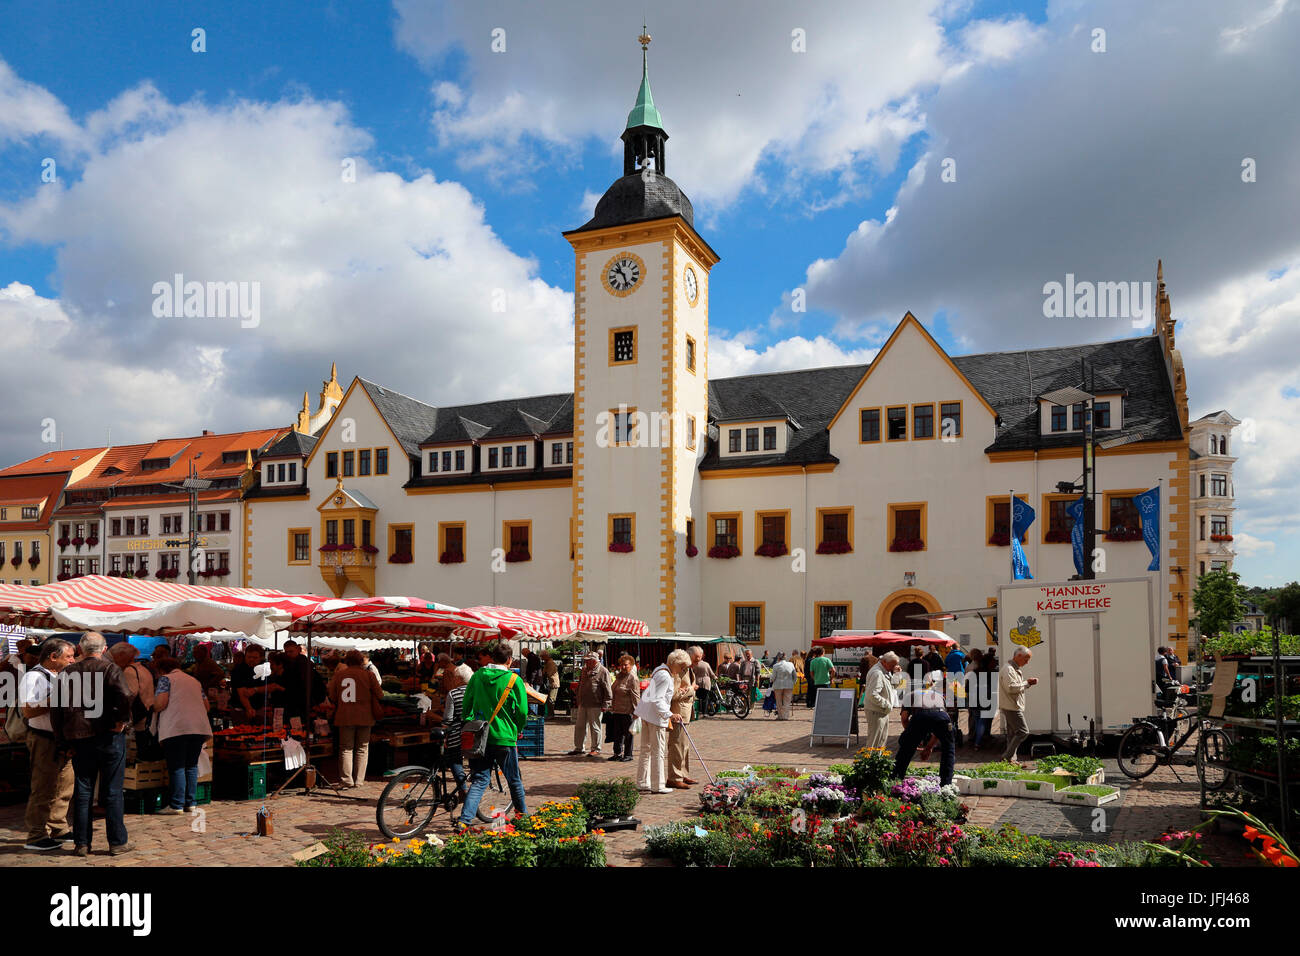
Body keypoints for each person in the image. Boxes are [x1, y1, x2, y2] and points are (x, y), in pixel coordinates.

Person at [51, 632, 133, 857]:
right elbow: (125, 695)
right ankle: (116, 842)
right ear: (104, 649)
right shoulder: (109, 669)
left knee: (84, 789)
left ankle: (82, 843)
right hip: (107, 735)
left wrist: (61, 741)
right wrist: (121, 720)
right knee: (113, 790)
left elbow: (56, 712)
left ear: (80, 648)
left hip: (79, 737)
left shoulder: (67, 673)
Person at [458, 640, 528, 827]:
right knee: (514, 779)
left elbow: (467, 703)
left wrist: (469, 721)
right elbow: (522, 711)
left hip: (480, 735)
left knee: (480, 780)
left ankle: (463, 822)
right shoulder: (514, 680)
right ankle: (523, 818)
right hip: (504, 736)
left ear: (492, 657)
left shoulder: (478, 675)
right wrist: (518, 728)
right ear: (510, 660)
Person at [20, 638, 75, 851]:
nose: (72, 660)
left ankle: (58, 827)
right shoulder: (34, 676)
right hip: (43, 739)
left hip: (60, 739)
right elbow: (28, 710)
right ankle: (36, 834)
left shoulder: (58, 675)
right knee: (43, 787)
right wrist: (57, 699)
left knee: (64, 786)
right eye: (68, 656)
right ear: (53, 657)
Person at [152, 658, 212, 813]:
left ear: (161, 670)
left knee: (177, 766)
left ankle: (176, 804)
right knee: (191, 765)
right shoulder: (194, 681)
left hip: (177, 727)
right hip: (198, 728)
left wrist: (152, 706)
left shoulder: (166, 679)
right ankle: (190, 802)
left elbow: (160, 703)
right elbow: (207, 706)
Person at [634, 649, 688, 794]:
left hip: (647, 714)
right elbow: (658, 699)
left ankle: (642, 782)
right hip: (655, 717)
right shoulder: (665, 676)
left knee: (646, 750)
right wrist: (671, 714)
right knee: (657, 751)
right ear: (675, 663)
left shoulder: (660, 671)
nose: (682, 670)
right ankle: (658, 785)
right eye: (681, 667)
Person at [327, 650, 383, 788]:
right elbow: (380, 694)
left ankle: (346, 780)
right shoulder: (368, 674)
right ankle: (359, 780)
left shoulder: (339, 675)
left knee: (346, 748)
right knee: (362, 748)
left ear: (347, 661)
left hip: (345, 715)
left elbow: (332, 696)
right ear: (360, 661)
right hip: (365, 716)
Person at [893, 669, 956, 786]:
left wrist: (913, 739)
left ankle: (895, 779)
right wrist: (929, 747)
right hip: (941, 717)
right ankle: (946, 784)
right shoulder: (938, 696)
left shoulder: (910, 695)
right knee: (949, 749)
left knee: (905, 748)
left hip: (920, 715)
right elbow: (939, 728)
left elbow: (904, 719)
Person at [109, 643, 157, 759]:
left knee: (141, 750)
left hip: (139, 717)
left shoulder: (129, 671)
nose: (114, 660)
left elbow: (129, 695)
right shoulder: (143, 668)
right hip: (148, 713)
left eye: (115, 656)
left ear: (123, 655)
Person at [567, 653, 612, 756]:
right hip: (583, 703)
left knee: (595, 727)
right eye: (585, 660)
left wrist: (606, 704)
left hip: (596, 704)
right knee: (579, 726)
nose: (586, 662)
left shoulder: (603, 671)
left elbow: (608, 690)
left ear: (594, 661)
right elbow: (580, 684)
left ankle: (596, 748)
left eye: (588, 660)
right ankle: (579, 748)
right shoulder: (584, 670)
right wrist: (578, 697)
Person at [999, 648, 1037, 765]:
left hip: (1011, 705)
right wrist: (1027, 683)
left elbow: (1013, 687)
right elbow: (1011, 688)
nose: (1027, 662)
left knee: (1012, 734)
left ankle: (1011, 759)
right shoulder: (1009, 669)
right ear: (1018, 656)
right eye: (1026, 659)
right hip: (1011, 706)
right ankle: (1007, 757)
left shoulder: (1012, 668)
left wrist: (1026, 683)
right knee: (1022, 732)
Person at [438, 661, 469, 796]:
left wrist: (444, 734)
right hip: (473, 735)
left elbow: (448, 719)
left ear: (458, 678)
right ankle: (472, 792)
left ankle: (463, 789)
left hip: (456, 734)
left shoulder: (453, 693)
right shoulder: (476, 693)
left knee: (455, 761)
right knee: (474, 761)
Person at [666, 661, 697, 789]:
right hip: (677, 713)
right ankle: (674, 777)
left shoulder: (689, 670)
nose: (697, 662)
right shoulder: (677, 671)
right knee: (677, 746)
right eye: (696, 659)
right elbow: (673, 694)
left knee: (684, 746)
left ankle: (683, 773)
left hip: (686, 713)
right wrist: (691, 689)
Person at [863, 651, 901, 749]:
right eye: (892, 665)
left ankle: (879, 761)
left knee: (881, 740)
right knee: (875, 741)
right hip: (876, 711)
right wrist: (887, 705)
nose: (894, 667)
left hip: (881, 710)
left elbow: (894, 686)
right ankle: (870, 762)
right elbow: (872, 694)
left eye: (895, 665)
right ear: (884, 662)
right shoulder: (877, 673)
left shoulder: (885, 670)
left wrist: (897, 674)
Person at [607, 653, 640, 762]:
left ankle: (628, 755)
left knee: (628, 735)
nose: (623, 667)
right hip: (617, 710)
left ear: (631, 665)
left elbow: (636, 696)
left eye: (626, 665)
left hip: (627, 711)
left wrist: (637, 711)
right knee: (617, 734)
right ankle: (617, 753)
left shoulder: (632, 678)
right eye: (622, 665)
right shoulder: (619, 676)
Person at [231, 643, 273, 716]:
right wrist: (249, 708)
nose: (251, 659)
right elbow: (242, 692)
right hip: (241, 708)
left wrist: (255, 689)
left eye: (255, 657)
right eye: (249, 657)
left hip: (260, 707)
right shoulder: (238, 670)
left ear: (261, 657)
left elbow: (271, 686)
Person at [769, 652, 795, 719]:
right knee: (787, 701)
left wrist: (770, 679)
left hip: (778, 685)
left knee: (779, 701)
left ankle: (780, 716)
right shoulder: (791, 664)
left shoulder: (776, 666)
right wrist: (793, 683)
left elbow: (773, 677)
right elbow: (795, 676)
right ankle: (785, 716)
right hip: (789, 685)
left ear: (778, 658)